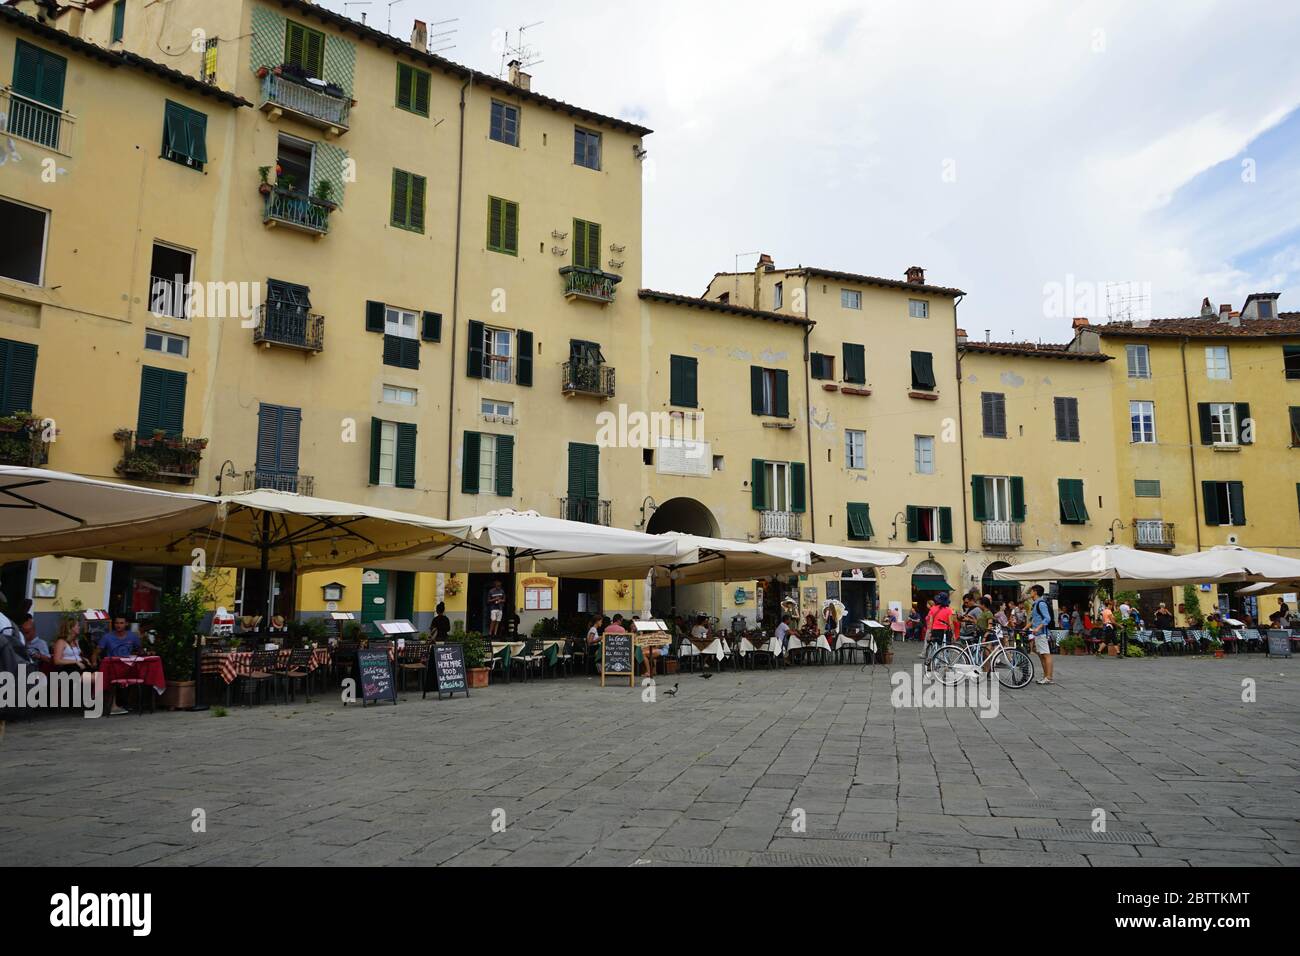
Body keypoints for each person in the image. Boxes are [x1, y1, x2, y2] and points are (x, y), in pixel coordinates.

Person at [1028, 585, 1054, 684]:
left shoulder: (1041, 604)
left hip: (1042, 633)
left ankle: (1049, 677)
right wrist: (1026, 628)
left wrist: (1038, 628)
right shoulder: (1035, 604)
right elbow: (1035, 619)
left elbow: (1047, 618)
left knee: (1046, 655)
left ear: (1035, 592)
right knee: (1041, 655)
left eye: (1031, 591)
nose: (1030, 593)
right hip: (1038, 633)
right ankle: (1045, 676)